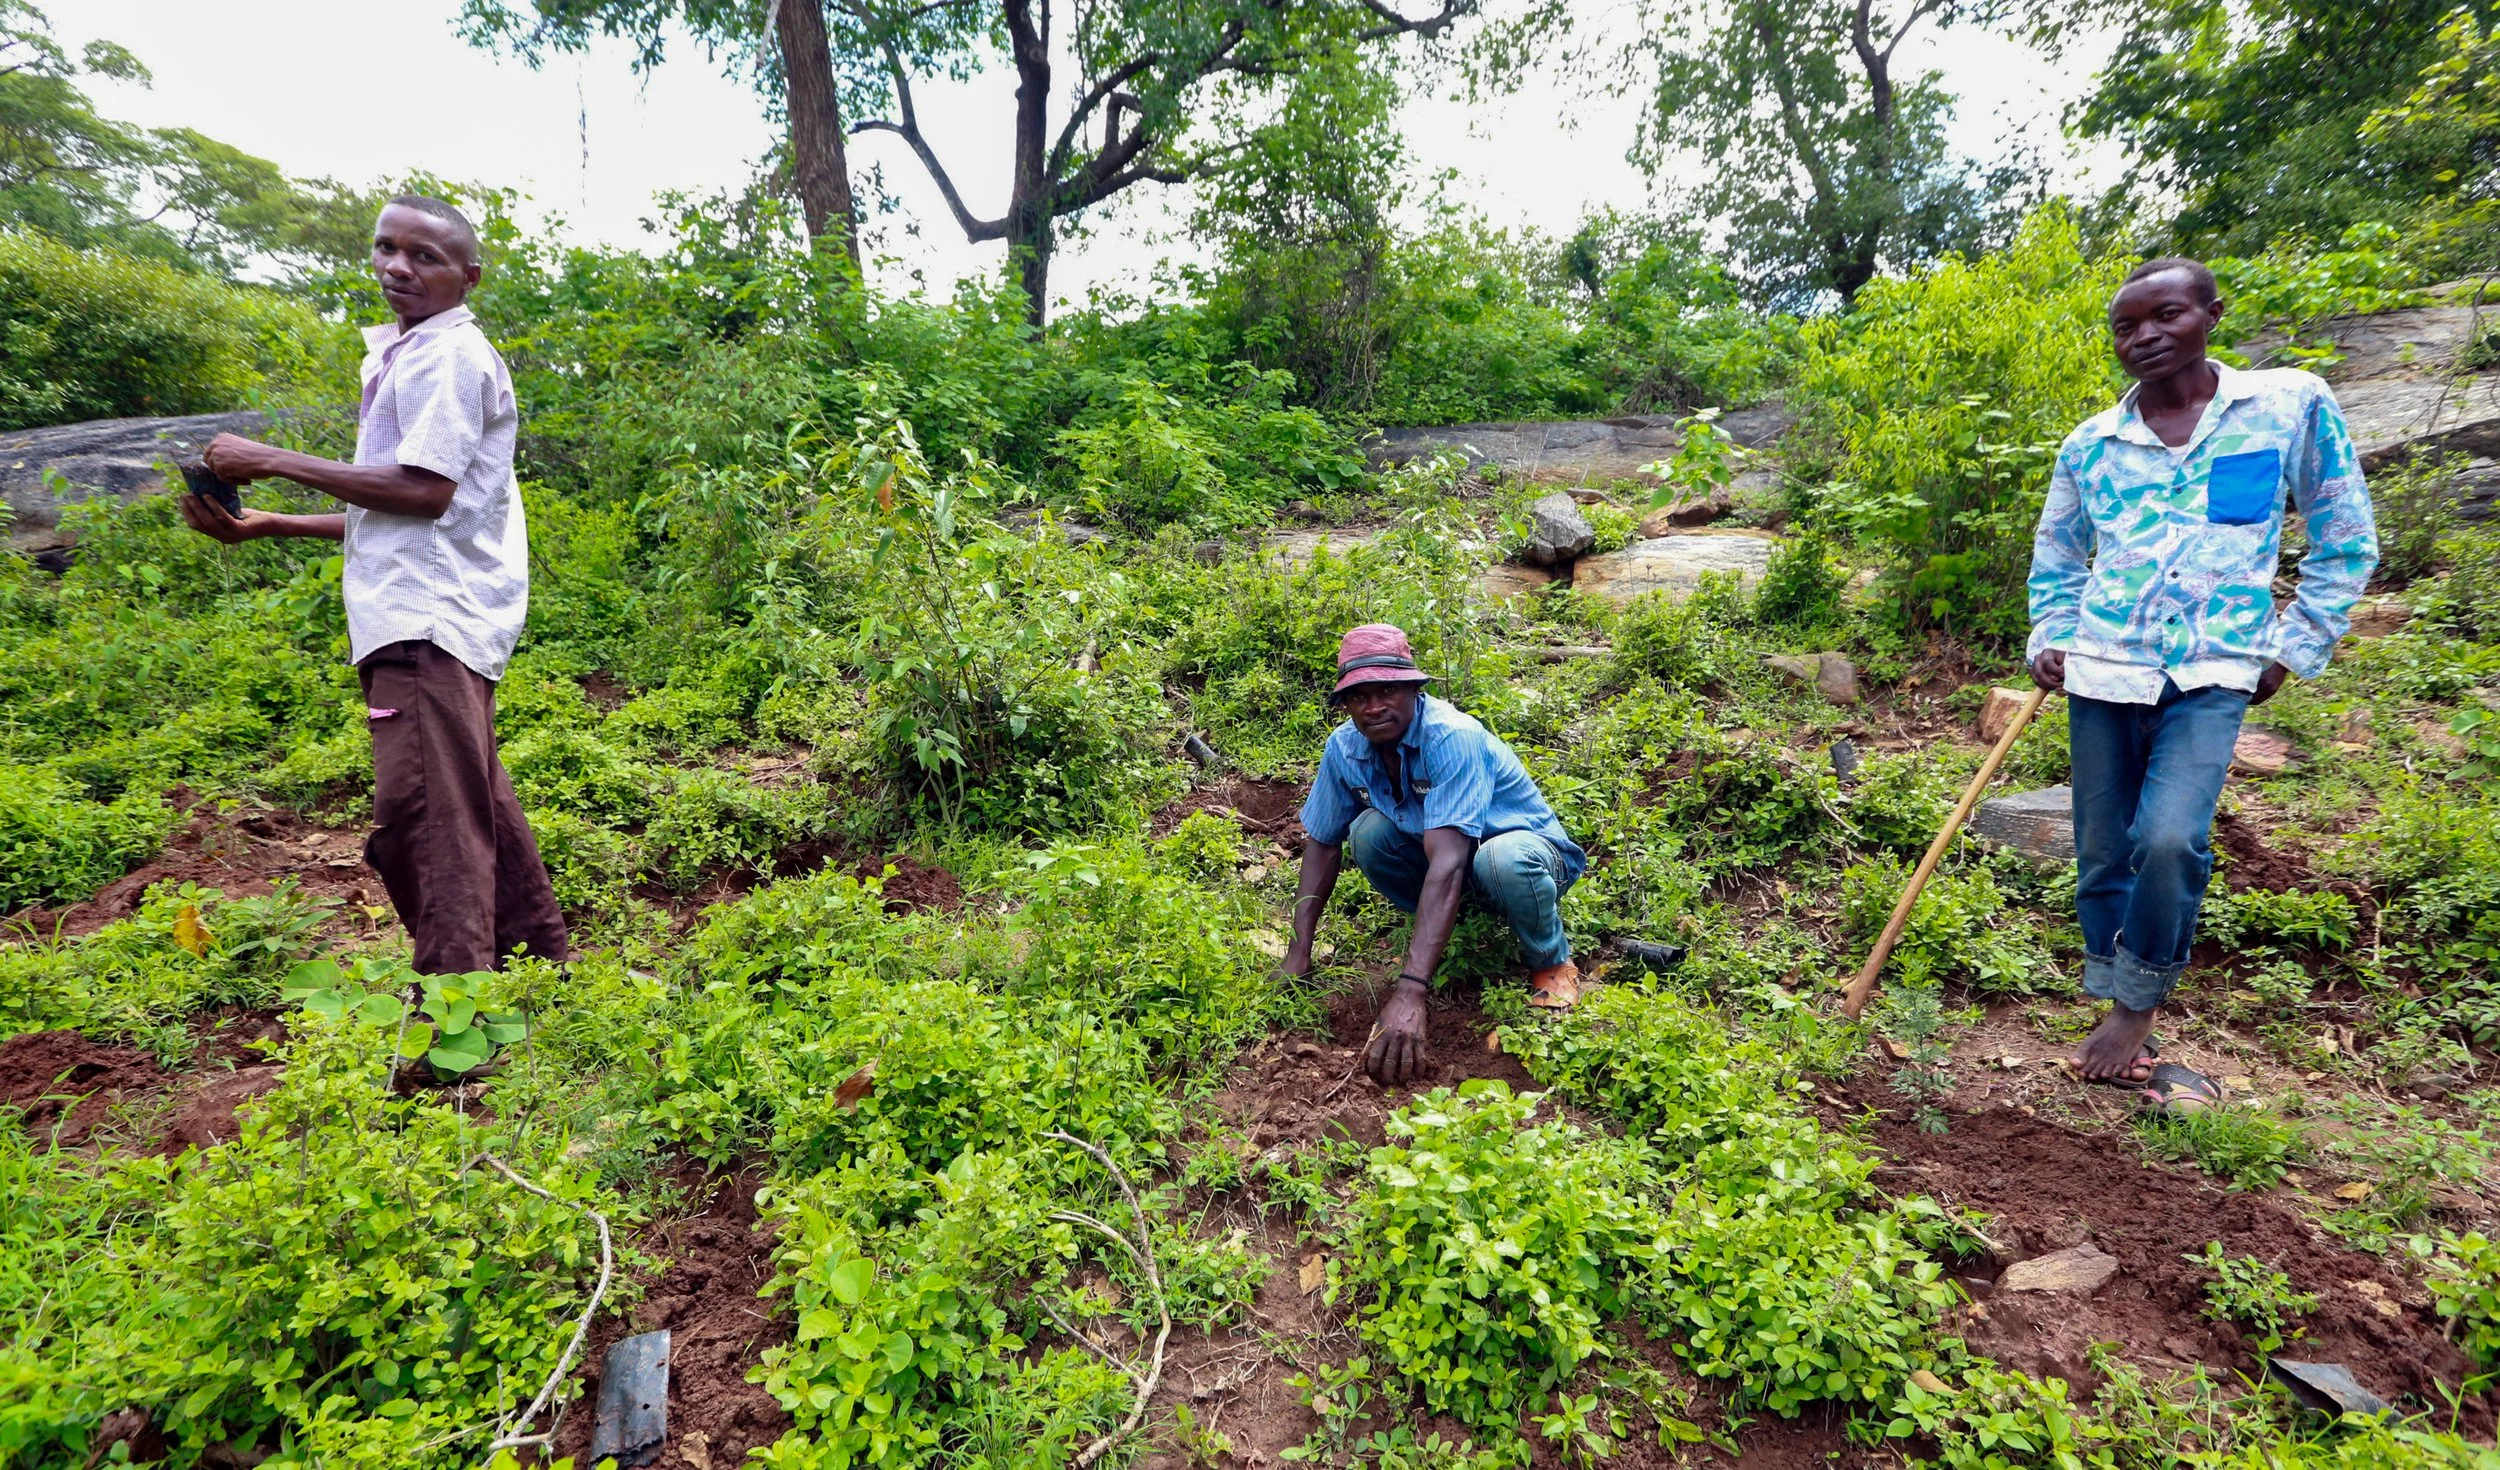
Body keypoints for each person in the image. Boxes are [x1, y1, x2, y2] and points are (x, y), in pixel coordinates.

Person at [177, 195, 569, 976]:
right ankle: (541, 964)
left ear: (469, 276)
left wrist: (275, 459)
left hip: (427, 625)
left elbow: (424, 493)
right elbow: (408, 516)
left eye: (425, 256)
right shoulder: (409, 353)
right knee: (471, 800)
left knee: (424, 820)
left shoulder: (447, 358)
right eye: (387, 247)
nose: (398, 266)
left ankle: (457, 1025)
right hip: (439, 616)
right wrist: (271, 523)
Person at [2027, 255, 2376, 1107]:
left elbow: (2346, 538)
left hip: (2217, 669)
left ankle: (2136, 1006)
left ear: (2213, 313)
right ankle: (2110, 980)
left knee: (2171, 838)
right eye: (2126, 326)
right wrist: (2052, 635)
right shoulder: (2093, 444)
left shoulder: (2289, 406)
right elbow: (2059, 553)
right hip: (2105, 666)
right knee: (2104, 848)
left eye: (2167, 315)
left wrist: (2293, 647)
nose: (2145, 336)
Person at [1278, 624, 1588, 1087]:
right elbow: (1323, 843)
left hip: (1524, 857)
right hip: (1452, 868)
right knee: (1366, 832)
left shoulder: (1451, 737)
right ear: (1345, 704)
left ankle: (1550, 961)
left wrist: (1410, 990)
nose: (1374, 706)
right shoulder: (1344, 748)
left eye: (1388, 691)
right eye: (1360, 696)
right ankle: (1457, 927)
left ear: (1413, 691)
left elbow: (1448, 863)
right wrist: (1298, 950)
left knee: (1501, 860)